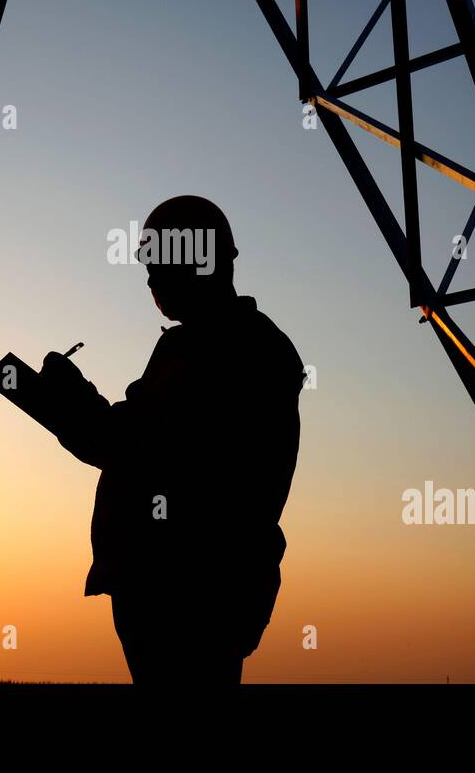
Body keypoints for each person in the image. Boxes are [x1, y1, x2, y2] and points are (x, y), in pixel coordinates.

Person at [39, 195, 304, 685]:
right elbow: (138, 438)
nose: (151, 279)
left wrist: (65, 399)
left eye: (160, 264)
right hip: (175, 583)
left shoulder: (234, 349)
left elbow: (133, 446)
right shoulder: (204, 344)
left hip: (190, 590)